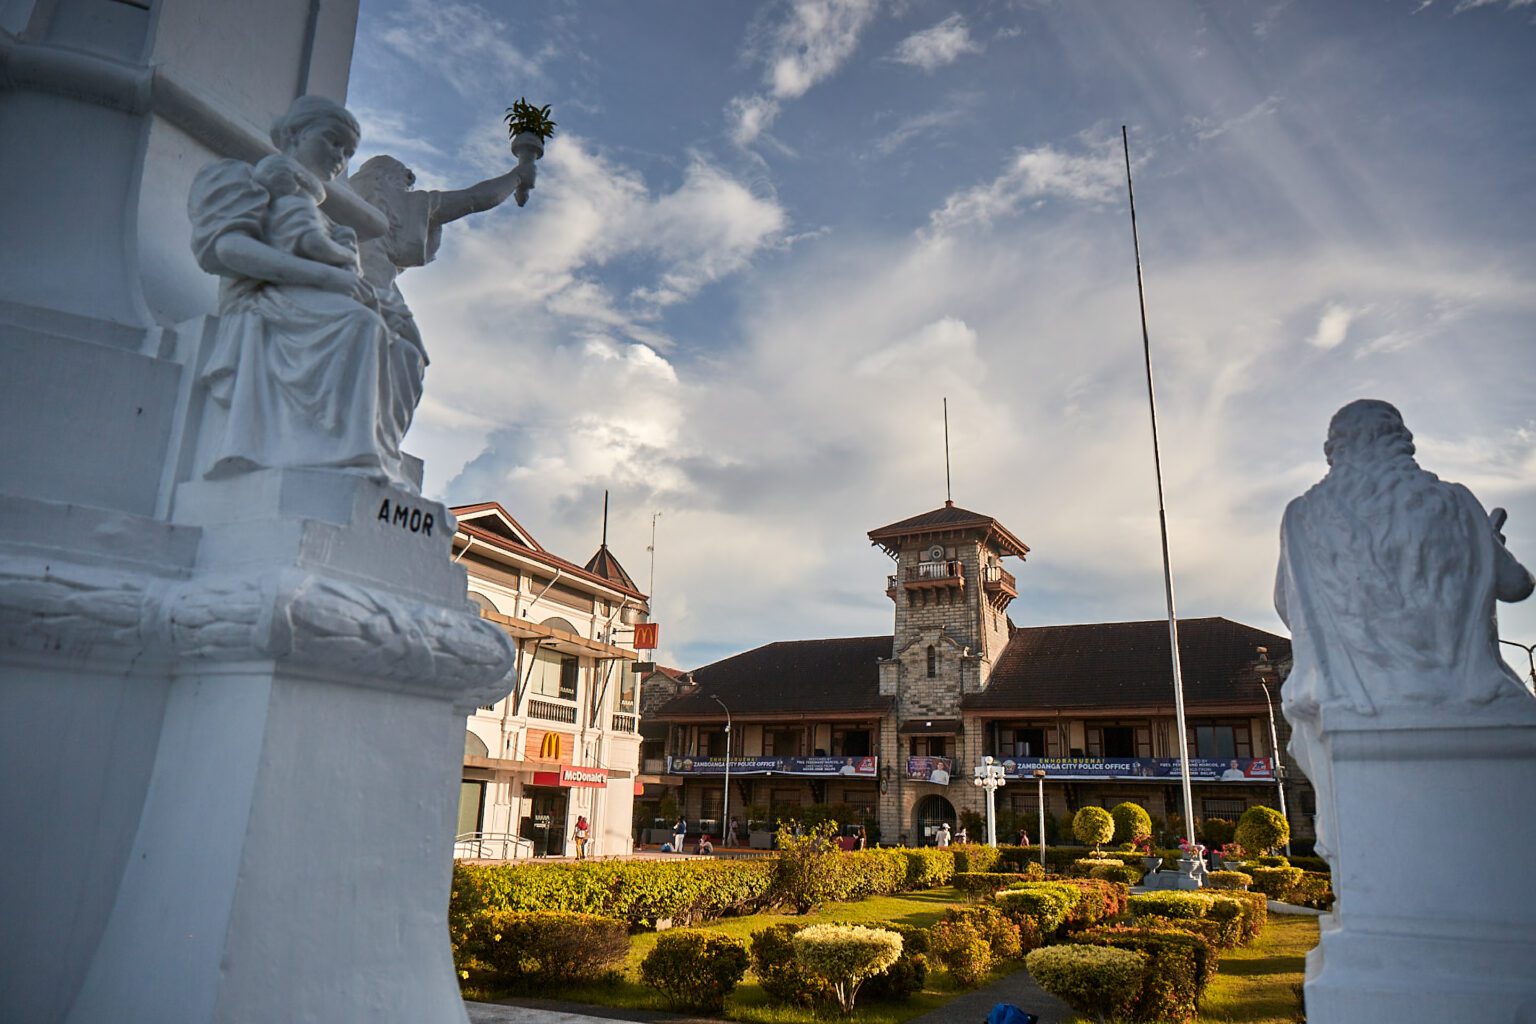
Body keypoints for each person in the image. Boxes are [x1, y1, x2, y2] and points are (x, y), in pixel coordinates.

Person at [1276, 399, 1533, 860]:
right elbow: (1516, 585)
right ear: (1402, 441)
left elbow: (1286, 605)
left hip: (1354, 697)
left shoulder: (1304, 516)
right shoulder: (1456, 502)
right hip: (1465, 691)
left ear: (1335, 449)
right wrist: (1486, 544)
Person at [189, 96, 418, 488]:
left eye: (348, 152)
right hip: (263, 300)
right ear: (294, 134)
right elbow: (228, 250)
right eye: (331, 141)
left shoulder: (324, 216)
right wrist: (328, 277)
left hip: (310, 299)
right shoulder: (245, 179)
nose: (339, 158)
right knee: (360, 325)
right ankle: (345, 454)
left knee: (406, 353)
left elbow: (340, 266)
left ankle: (378, 454)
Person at [347, 154, 536, 449]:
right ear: (387, 179)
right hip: (373, 294)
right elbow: (475, 198)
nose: (409, 185)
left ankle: (370, 441)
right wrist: (518, 176)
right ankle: (374, 443)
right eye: (404, 177)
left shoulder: (342, 196)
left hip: (357, 289)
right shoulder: (395, 202)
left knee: (400, 359)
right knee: (406, 359)